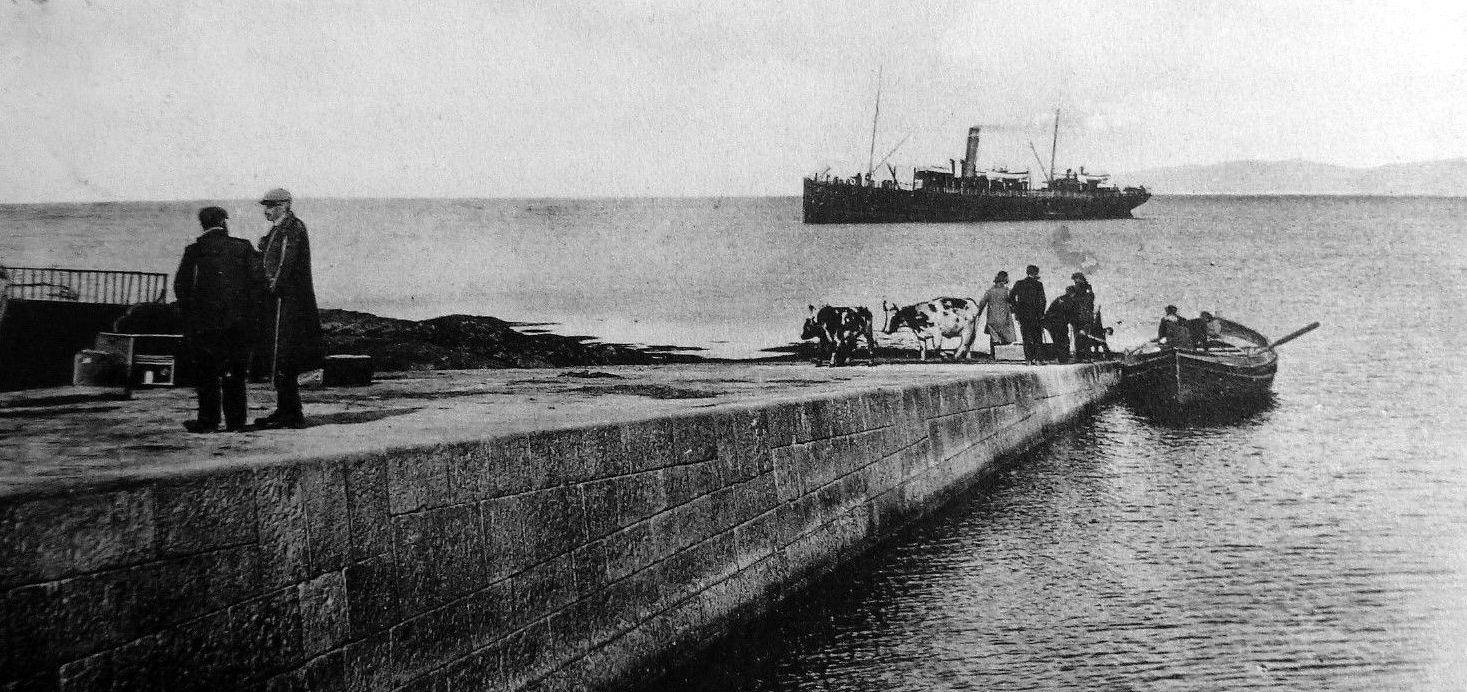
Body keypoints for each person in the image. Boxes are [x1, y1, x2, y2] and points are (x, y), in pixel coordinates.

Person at [174, 206, 266, 433]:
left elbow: (181, 287)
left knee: (206, 373)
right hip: (238, 324)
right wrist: (249, 314)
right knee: (235, 373)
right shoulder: (243, 247)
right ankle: (236, 422)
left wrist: (192, 314)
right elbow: (258, 283)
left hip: (204, 325)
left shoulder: (194, 251)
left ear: (203, 224)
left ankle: (208, 421)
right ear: (224, 223)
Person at [255, 188, 324, 429]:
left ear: (284, 205)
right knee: (281, 358)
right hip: (280, 302)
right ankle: (286, 410)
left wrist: (270, 288)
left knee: (286, 356)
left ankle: (291, 414)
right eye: (266, 206)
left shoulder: (292, 228)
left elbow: (285, 265)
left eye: (271, 206)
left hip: (289, 303)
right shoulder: (279, 229)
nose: (267, 210)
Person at [1009, 265, 1046, 364]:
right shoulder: (1038, 285)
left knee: (1026, 337)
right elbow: (1043, 301)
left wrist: (1016, 309)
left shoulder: (1019, 283)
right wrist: (1041, 313)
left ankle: (1029, 360)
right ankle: (1038, 359)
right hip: (1036, 315)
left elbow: (1011, 297)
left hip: (1023, 315)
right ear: (1036, 273)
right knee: (1037, 337)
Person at [974, 271, 1016, 347]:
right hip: (1005, 320)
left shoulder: (989, 291)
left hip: (992, 319)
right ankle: (1003, 355)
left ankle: (993, 356)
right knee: (1006, 339)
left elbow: (982, 303)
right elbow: (1013, 304)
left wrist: (979, 313)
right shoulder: (1007, 291)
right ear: (1005, 279)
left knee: (994, 339)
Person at [1042, 286, 1077, 364]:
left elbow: (1050, 310)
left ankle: (1061, 358)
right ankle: (1063, 360)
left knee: (1057, 340)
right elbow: (1070, 314)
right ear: (1073, 293)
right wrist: (1073, 323)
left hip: (1050, 323)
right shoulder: (1070, 301)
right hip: (1059, 324)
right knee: (1064, 341)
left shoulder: (1059, 299)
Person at [1069, 272, 1096, 361]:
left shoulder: (1087, 287)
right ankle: (1081, 356)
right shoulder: (1075, 288)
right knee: (1079, 336)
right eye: (1075, 280)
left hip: (1084, 316)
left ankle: (1085, 356)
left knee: (1084, 336)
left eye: (1076, 279)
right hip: (1079, 316)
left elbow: (1089, 299)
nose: (1076, 281)